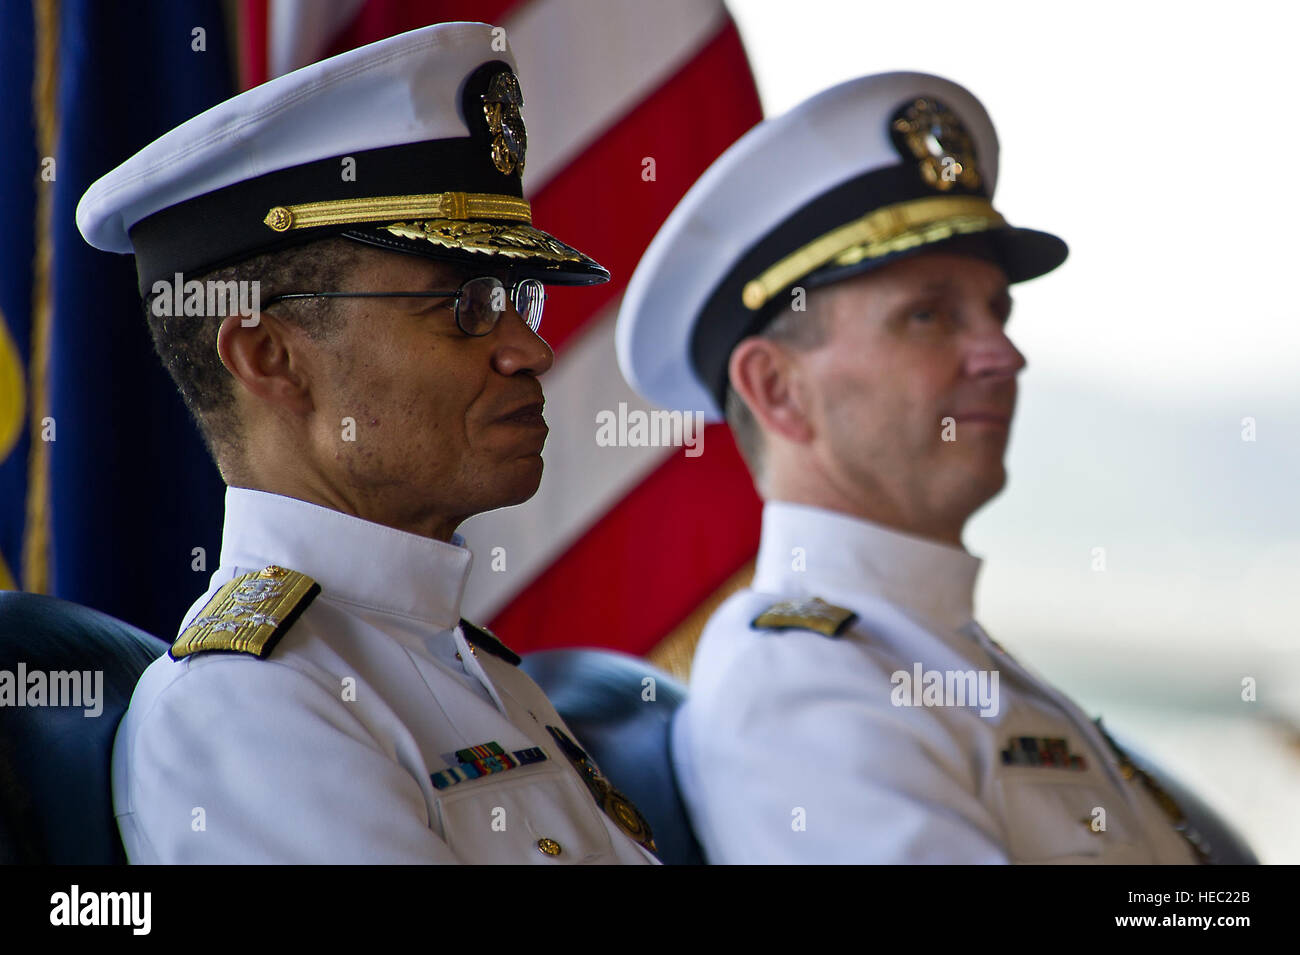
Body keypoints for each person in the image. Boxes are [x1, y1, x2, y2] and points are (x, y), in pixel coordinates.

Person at [77, 22, 656, 864]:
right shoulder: (253, 707)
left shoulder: (475, 666)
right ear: (270, 357)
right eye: (462, 307)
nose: (530, 350)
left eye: (516, 298)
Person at [616, 72, 1210, 863]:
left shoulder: (949, 650)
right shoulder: (797, 680)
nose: (1004, 352)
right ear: (778, 389)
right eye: (929, 315)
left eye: (997, 311)